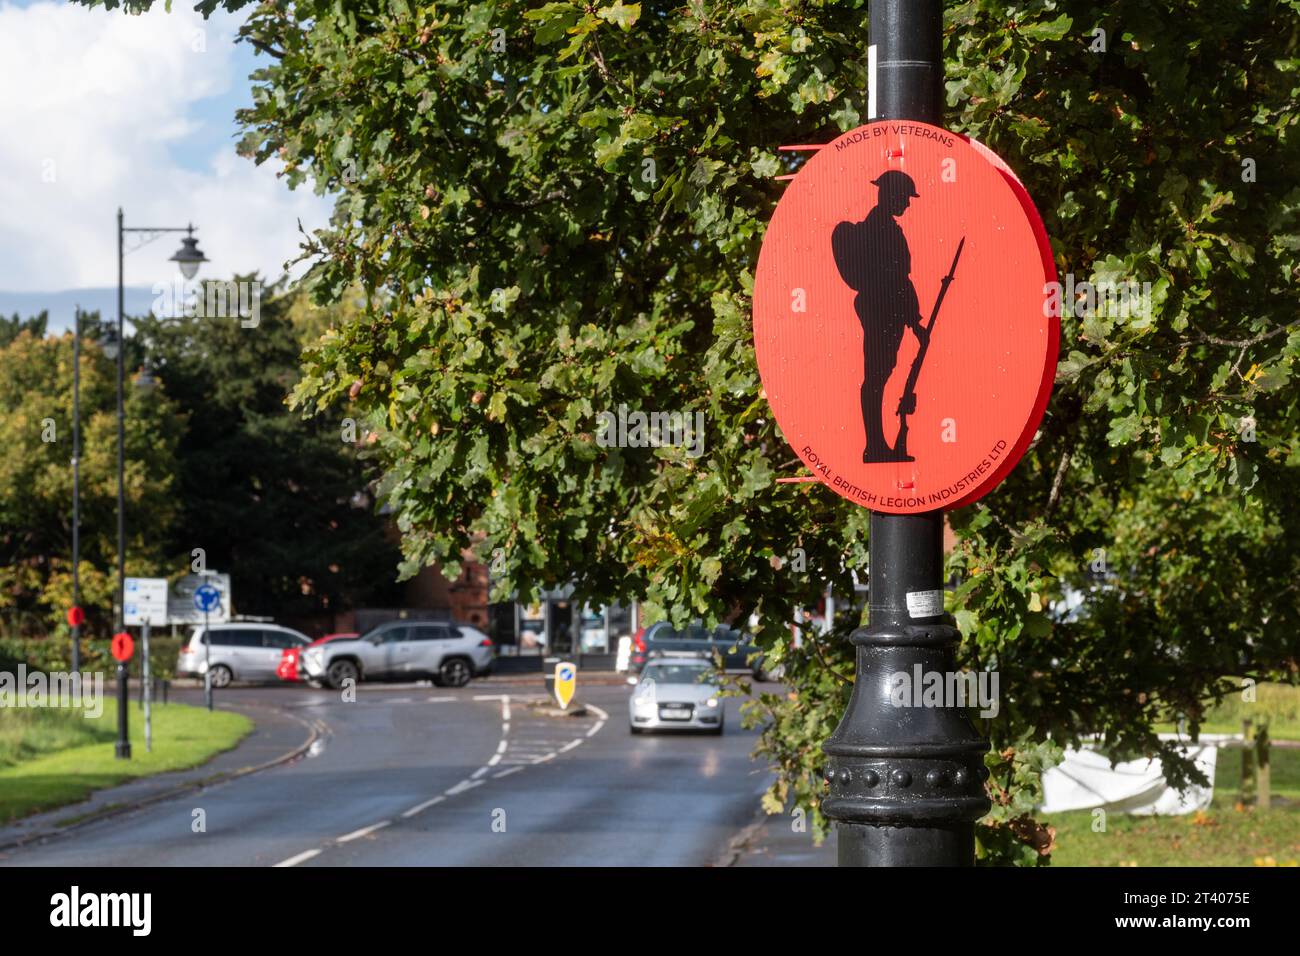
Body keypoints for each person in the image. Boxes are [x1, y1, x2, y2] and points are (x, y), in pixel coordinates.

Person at [831, 170, 928, 463]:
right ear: (891, 195)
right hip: (880, 309)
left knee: (881, 373)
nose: (908, 205)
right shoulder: (878, 229)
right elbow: (896, 279)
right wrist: (914, 321)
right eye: (905, 198)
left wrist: (914, 321)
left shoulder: (888, 228)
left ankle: (877, 445)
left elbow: (902, 280)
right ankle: (874, 446)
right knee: (876, 376)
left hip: (891, 309)